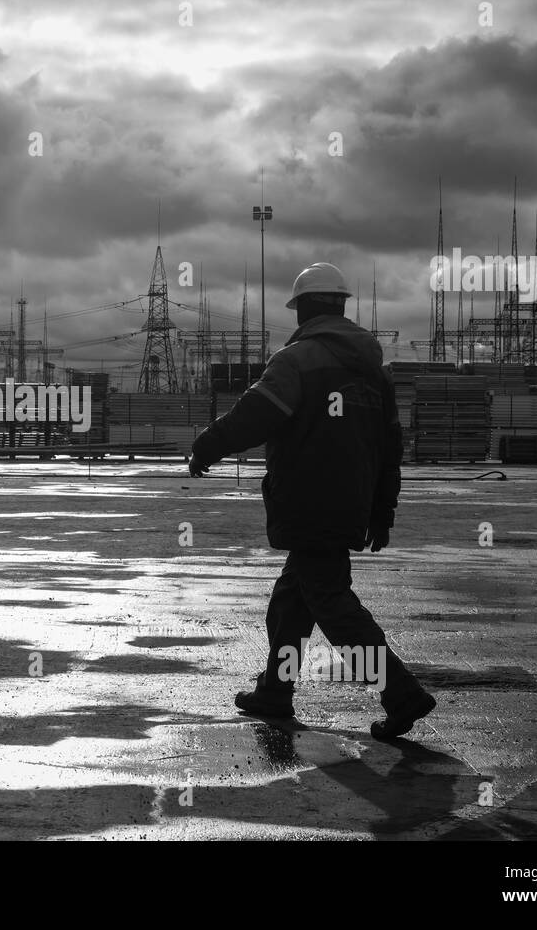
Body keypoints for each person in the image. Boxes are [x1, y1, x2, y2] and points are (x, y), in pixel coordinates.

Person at [189, 262, 436, 741]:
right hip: (349, 504)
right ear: (342, 306)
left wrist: (208, 444)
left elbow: (256, 414)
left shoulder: (298, 360)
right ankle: (276, 692)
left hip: (308, 502)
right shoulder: (375, 372)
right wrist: (382, 511)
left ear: (302, 308)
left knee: (332, 604)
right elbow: (390, 449)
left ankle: (400, 692)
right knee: (290, 602)